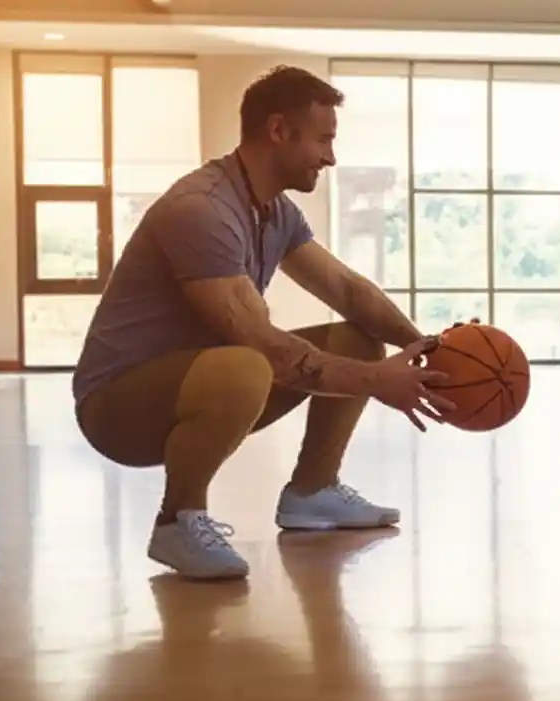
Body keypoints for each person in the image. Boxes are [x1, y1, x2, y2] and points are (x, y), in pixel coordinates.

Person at [71, 66, 455, 581]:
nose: (330, 157)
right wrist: (378, 382)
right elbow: (266, 350)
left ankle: (312, 491)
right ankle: (177, 521)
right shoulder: (201, 209)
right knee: (247, 366)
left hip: (199, 378)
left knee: (355, 338)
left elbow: (347, 290)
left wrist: (428, 346)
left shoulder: (274, 210)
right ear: (278, 131)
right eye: (323, 139)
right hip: (116, 407)